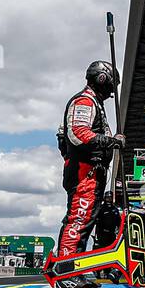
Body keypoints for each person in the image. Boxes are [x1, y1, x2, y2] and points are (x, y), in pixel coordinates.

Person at [53, 61, 124, 265]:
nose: (111, 93)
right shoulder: (84, 101)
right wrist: (112, 141)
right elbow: (78, 133)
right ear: (102, 79)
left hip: (90, 172)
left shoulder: (94, 103)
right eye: (111, 86)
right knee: (78, 218)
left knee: (84, 221)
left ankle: (74, 267)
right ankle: (65, 269)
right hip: (85, 172)